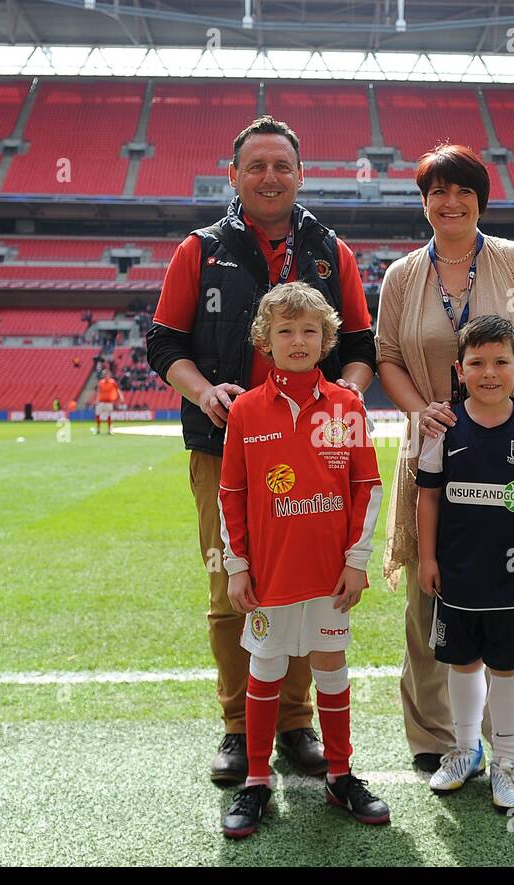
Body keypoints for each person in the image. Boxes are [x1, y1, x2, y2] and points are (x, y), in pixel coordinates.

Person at [146, 115, 377, 786]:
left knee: (308, 589)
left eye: (282, 165)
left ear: (300, 175)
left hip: (319, 455)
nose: (270, 176)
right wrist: (201, 392)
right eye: (256, 166)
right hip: (225, 447)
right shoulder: (199, 249)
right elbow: (164, 344)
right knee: (232, 589)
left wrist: (347, 399)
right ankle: (234, 727)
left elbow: (360, 349)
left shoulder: (334, 252)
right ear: (235, 176)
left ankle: (297, 724)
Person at [375, 143, 514, 773]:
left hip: (509, 449)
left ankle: (513, 738)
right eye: (437, 191)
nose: (450, 202)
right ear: (424, 202)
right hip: (436, 449)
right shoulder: (402, 275)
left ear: (480, 199)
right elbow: (388, 358)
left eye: (463, 191)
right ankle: (437, 738)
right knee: (430, 591)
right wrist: (414, 411)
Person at [217, 282, 388, 837]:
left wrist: (357, 559)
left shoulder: (347, 405)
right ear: (264, 340)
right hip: (268, 573)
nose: (297, 340)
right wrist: (238, 565)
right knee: (264, 670)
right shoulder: (244, 409)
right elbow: (231, 493)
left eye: (309, 330)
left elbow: (368, 484)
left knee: (330, 670)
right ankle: (258, 780)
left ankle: (340, 773)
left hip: (328, 574)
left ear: (326, 339)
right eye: (285, 330)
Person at [416, 315, 514, 811]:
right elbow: (429, 499)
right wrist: (428, 558)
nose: (490, 372)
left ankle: (505, 761)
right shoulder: (445, 427)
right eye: (477, 362)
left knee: (507, 667)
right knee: (462, 663)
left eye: (501, 361)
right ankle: (463, 752)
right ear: (460, 369)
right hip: (458, 574)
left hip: (513, 580)